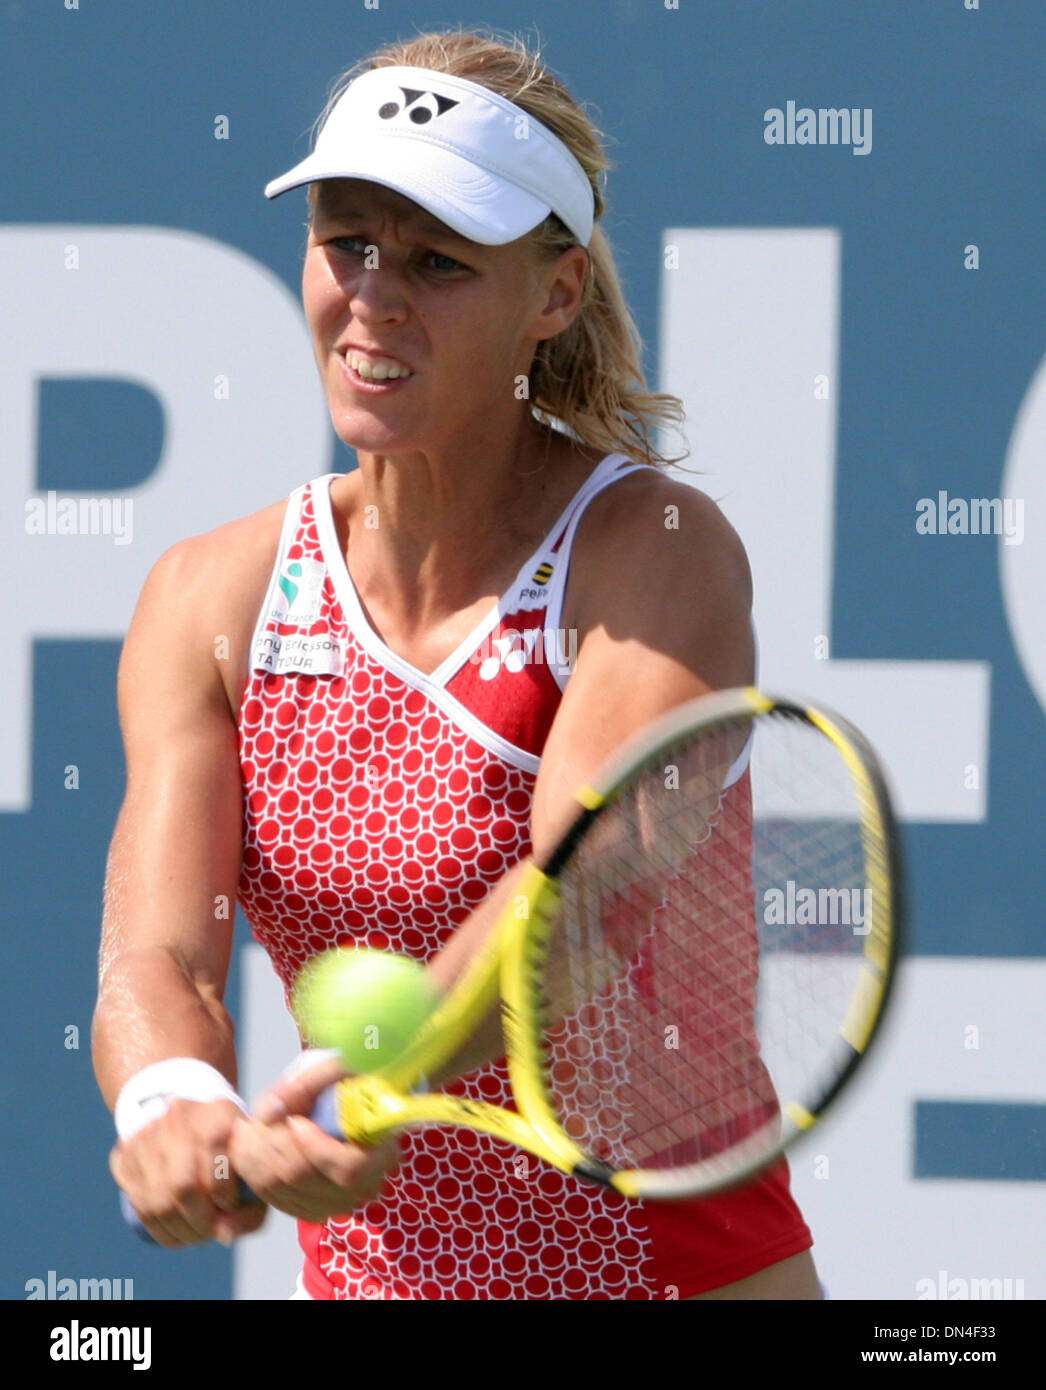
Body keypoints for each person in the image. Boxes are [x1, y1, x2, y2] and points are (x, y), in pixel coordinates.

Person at [94, 26, 820, 1300]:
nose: (373, 295)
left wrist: (390, 1071)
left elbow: (579, 895)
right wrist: (172, 1100)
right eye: (346, 242)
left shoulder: (651, 551)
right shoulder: (209, 596)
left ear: (554, 296)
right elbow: (159, 960)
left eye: (435, 262)